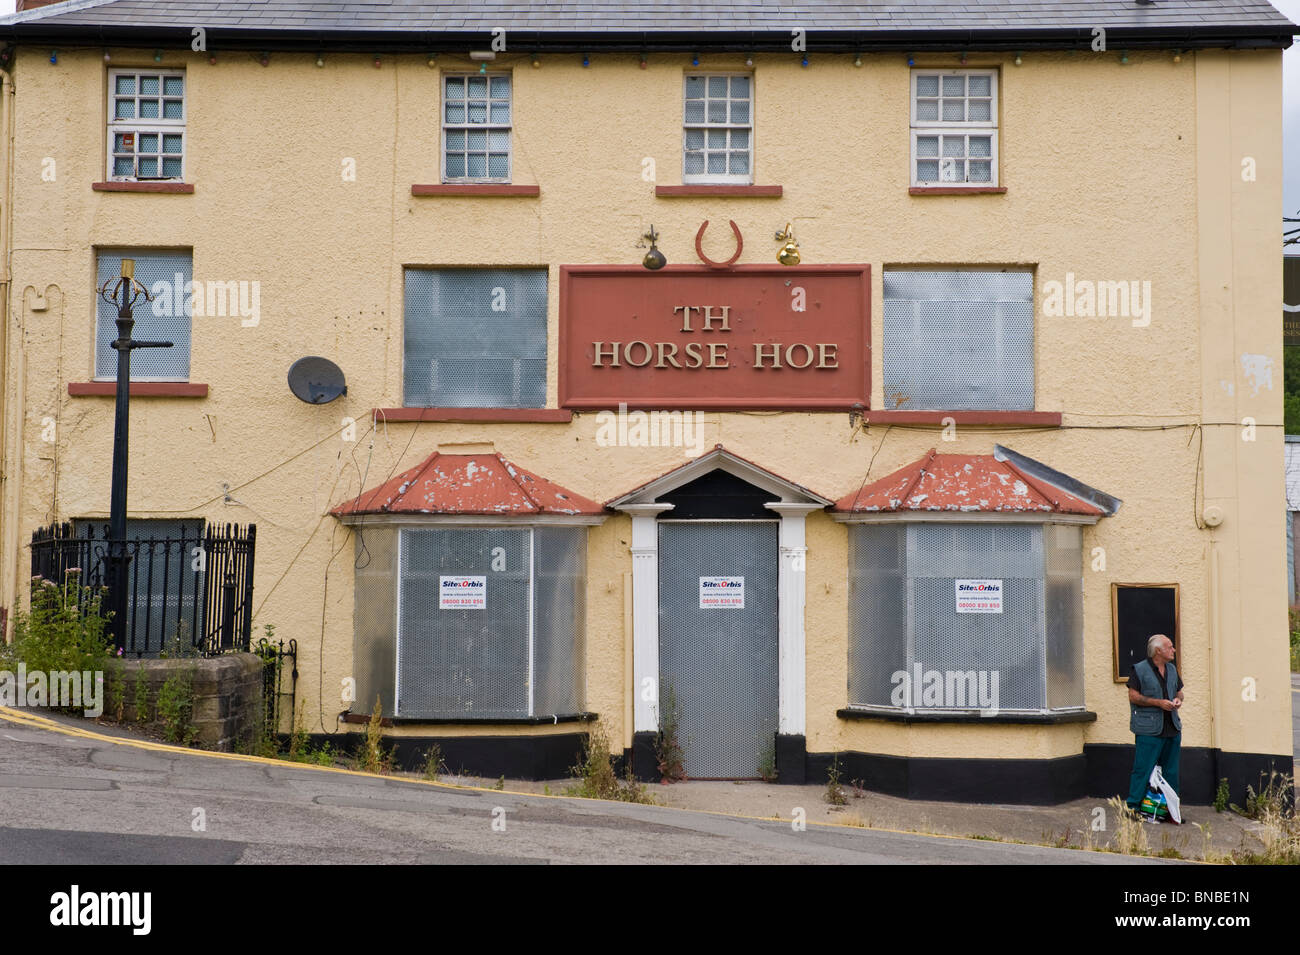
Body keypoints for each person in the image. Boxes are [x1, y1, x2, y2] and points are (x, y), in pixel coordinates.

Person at [1125, 633, 1184, 819]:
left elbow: (1180, 692)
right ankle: (1133, 807)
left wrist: (1177, 699)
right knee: (1143, 768)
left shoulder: (1172, 669)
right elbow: (1133, 697)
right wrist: (1158, 703)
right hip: (1148, 729)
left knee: (1171, 772)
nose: (1173, 650)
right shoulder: (1139, 669)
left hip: (1172, 727)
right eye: (1170, 647)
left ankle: (1169, 811)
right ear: (1158, 650)